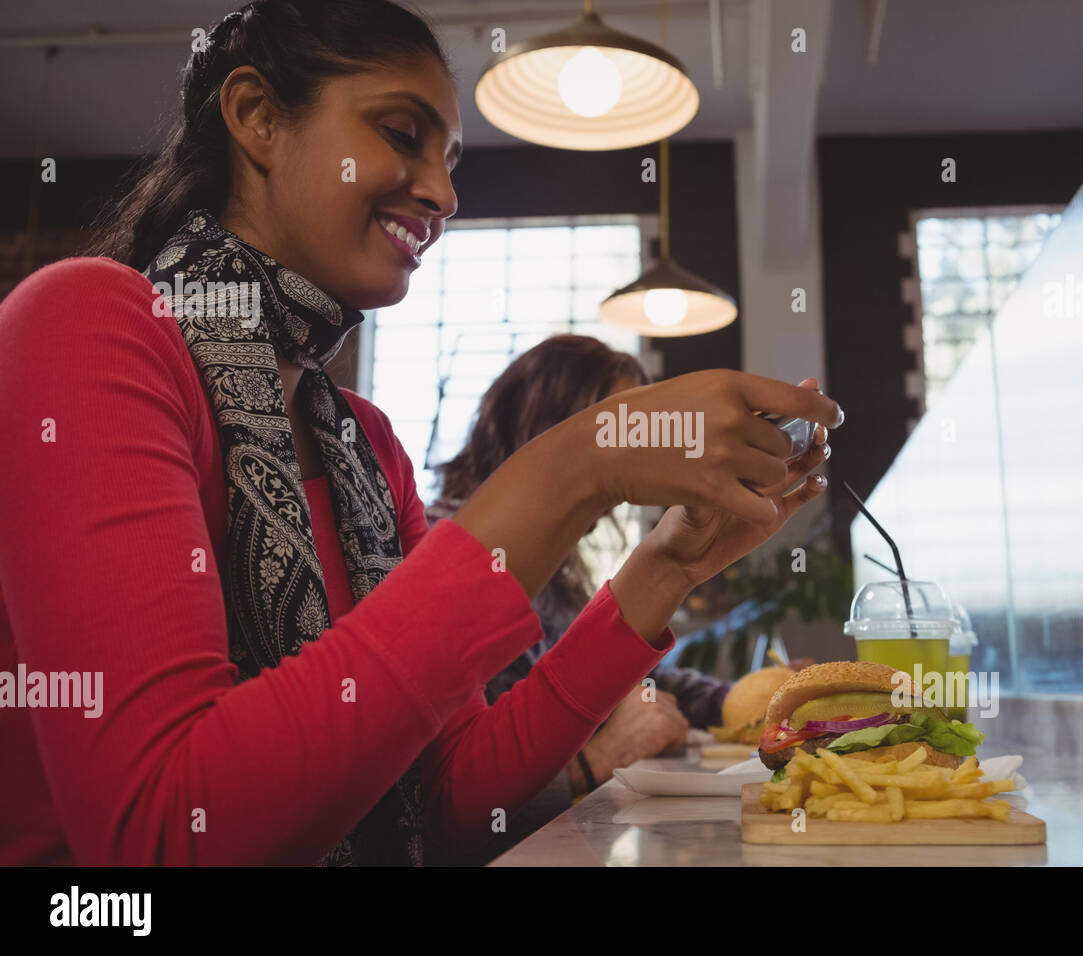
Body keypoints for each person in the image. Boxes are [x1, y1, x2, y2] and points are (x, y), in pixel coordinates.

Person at [0, 0, 840, 866]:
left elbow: (443, 808)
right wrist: (577, 463)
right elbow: (165, 833)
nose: (442, 192)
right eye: (401, 133)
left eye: (450, 160)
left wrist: (667, 567)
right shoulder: (85, 325)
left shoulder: (366, 447)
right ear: (256, 116)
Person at [430, 337, 797, 858]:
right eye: (622, 440)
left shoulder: (558, 568)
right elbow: (440, 813)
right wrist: (594, 760)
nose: (641, 466)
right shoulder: (434, 546)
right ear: (549, 429)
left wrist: (746, 702)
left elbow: (626, 678)